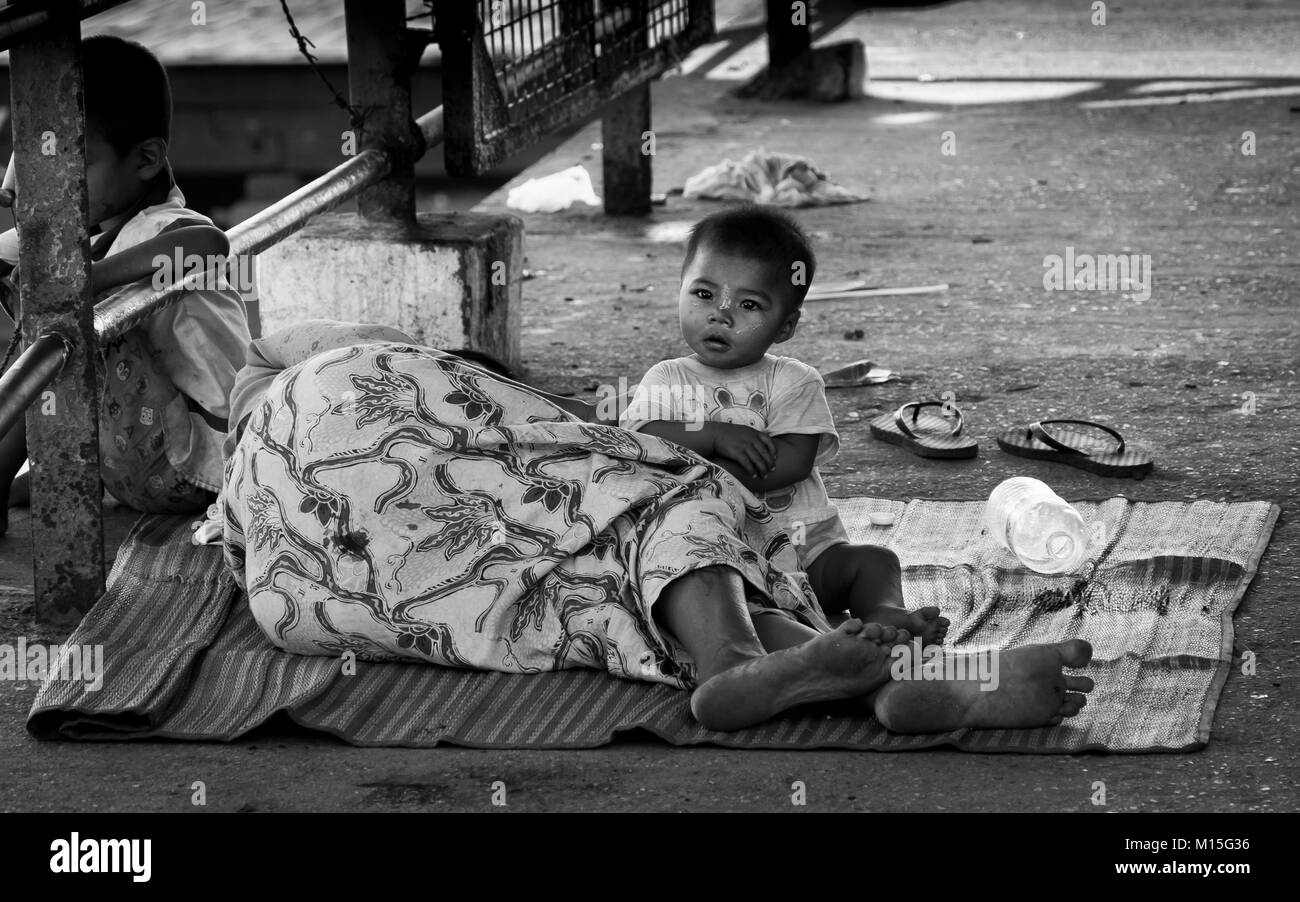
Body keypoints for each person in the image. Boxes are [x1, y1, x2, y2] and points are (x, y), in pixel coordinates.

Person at [221, 322, 1094, 733]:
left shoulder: (243, 489)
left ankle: (860, 677)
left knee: (592, 588)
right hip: (338, 409)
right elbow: (550, 429)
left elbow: (235, 533)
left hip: (306, 599)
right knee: (669, 500)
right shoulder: (326, 367)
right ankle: (747, 663)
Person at [620, 206, 947, 643]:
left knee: (875, 560)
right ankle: (806, 646)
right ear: (679, 291)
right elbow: (640, 443)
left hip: (809, 549)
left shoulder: (793, 380)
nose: (721, 314)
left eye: (748, 304)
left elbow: (793, 461)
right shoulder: (667, 379)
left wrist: (706, 472)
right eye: (703, 294)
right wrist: (715, 435)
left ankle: (884, 614)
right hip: (726, 550)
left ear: (786, 325)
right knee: (720, 599)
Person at [0, 35, 252, 535]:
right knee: (29, 286)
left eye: (75, 163)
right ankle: (26, 475)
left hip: (197, 461)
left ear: (146, 160)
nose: (54, 182)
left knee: (62, 312)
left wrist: (87, 280)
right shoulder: (89, 224)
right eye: (40, 163)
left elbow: (209, 242)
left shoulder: (161, 226)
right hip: (138, 458)